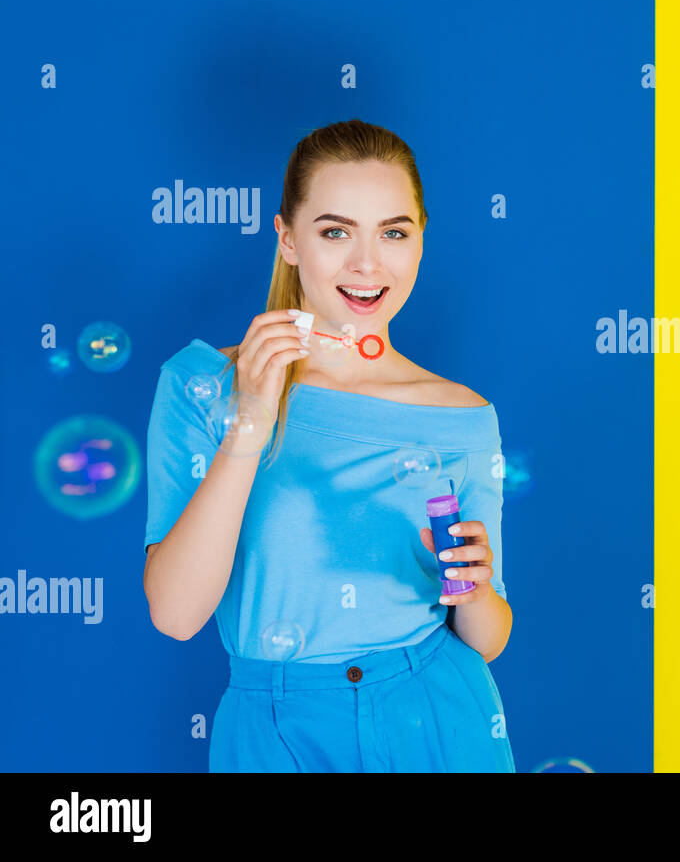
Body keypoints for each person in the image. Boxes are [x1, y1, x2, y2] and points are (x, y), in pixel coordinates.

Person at [142, 119, 515, 772]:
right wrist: (250, 423)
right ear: (287, 239)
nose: (367, 264)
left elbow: (486, 637)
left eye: (394, 232)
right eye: (335, 231)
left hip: (434, 716)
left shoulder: (464, 415)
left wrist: (478, 590)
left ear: (421, 239)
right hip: (274, 731)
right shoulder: (201, 386)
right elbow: (175, 614)